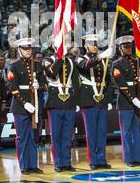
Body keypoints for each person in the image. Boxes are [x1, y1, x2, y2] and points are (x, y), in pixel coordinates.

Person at [8, 38, 47, 174]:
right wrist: (25, 103)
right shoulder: (14, 66)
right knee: (23, 137)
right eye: (25, 49)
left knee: (33, 137)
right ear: (19, 50)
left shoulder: (37, 65)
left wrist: (40, 86)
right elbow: (13, 88)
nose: (28, 51)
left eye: (29, 48)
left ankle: (33, 165)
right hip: (21, 107)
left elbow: (45, 84)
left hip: (35, 105)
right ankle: (24, 165)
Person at [76, 34, 114, 170]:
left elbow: (108, 81)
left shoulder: (103, 60)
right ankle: (93, 160)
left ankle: (101, 159)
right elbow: (86, 66)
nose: (95, 46)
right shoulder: (80, 58)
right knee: (91, 132)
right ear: (86, 45)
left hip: (102, 99)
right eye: (92, 44)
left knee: (102, 131)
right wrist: (101, 56)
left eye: (96, 44)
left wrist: (109, 99)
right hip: (88, 99)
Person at [42, 38, 79, 172]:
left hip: (69, 102)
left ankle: (67, 162)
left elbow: (76, 83)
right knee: (56, 134)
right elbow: (51, 74)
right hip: (54, 102)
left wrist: (77, 102)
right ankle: (58, 163)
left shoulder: (71, 62)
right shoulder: (48, 60)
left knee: (67, 134)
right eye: (60, 45)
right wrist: (59, 58)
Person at [112, 35, 140, 167]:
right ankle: (129, 159)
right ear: (120, 48)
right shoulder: (117, 64)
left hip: (138, 98)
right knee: (126, 132)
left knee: (138, 131)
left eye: (129, 46)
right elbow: (121, 84)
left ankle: (138, 158)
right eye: (125, 47)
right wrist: (133, 99)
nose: (128, 49)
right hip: (126, 102)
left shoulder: (138, 61)